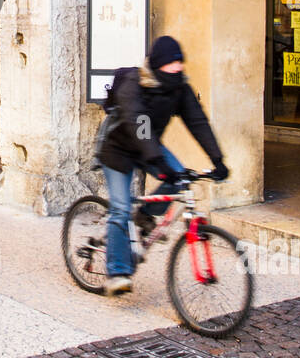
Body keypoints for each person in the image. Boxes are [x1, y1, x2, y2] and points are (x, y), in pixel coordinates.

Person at [96, 35, 229, 296]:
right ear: (157, 65)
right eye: (171, 63)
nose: (177, 67)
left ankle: (145, 214)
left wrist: (217, 159)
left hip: (150, 147)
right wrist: (154, 156)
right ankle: (117, 272)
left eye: (180, 62)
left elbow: (197, 121)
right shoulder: (136, 82)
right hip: (118, 149)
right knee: (121, 209)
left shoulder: (179, 87)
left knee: (179, 178)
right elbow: (138, 119)